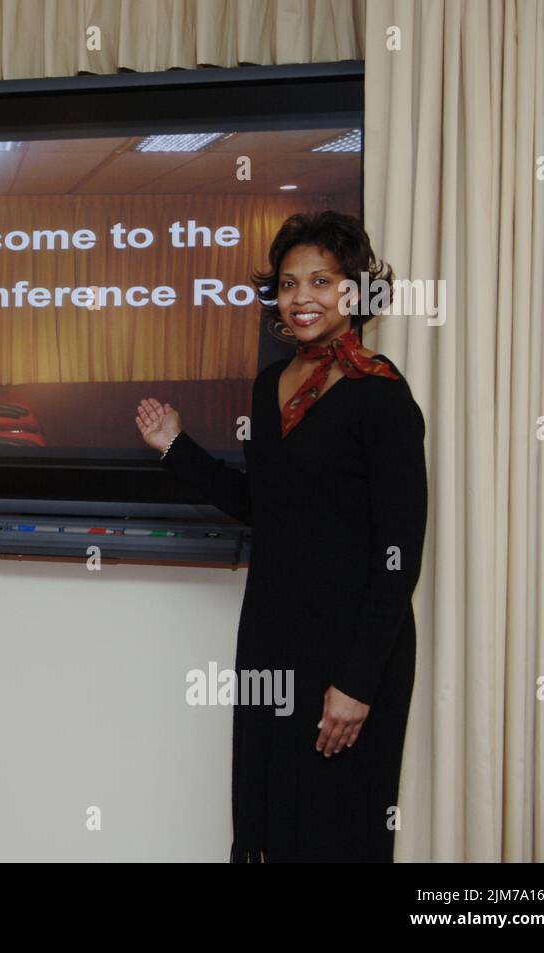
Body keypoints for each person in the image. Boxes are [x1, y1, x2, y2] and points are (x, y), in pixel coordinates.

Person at [135, 212, 428, 861]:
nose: (302, 297)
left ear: (354, 291)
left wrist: (356, 683)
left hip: (350, 651)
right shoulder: (273, 384)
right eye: (290, 283)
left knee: (335, 829)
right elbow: (265, 504)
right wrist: (175, 446)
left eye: (321, 280)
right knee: (266, 819)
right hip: (272, 636)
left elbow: (399, 553)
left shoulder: (382, 395)